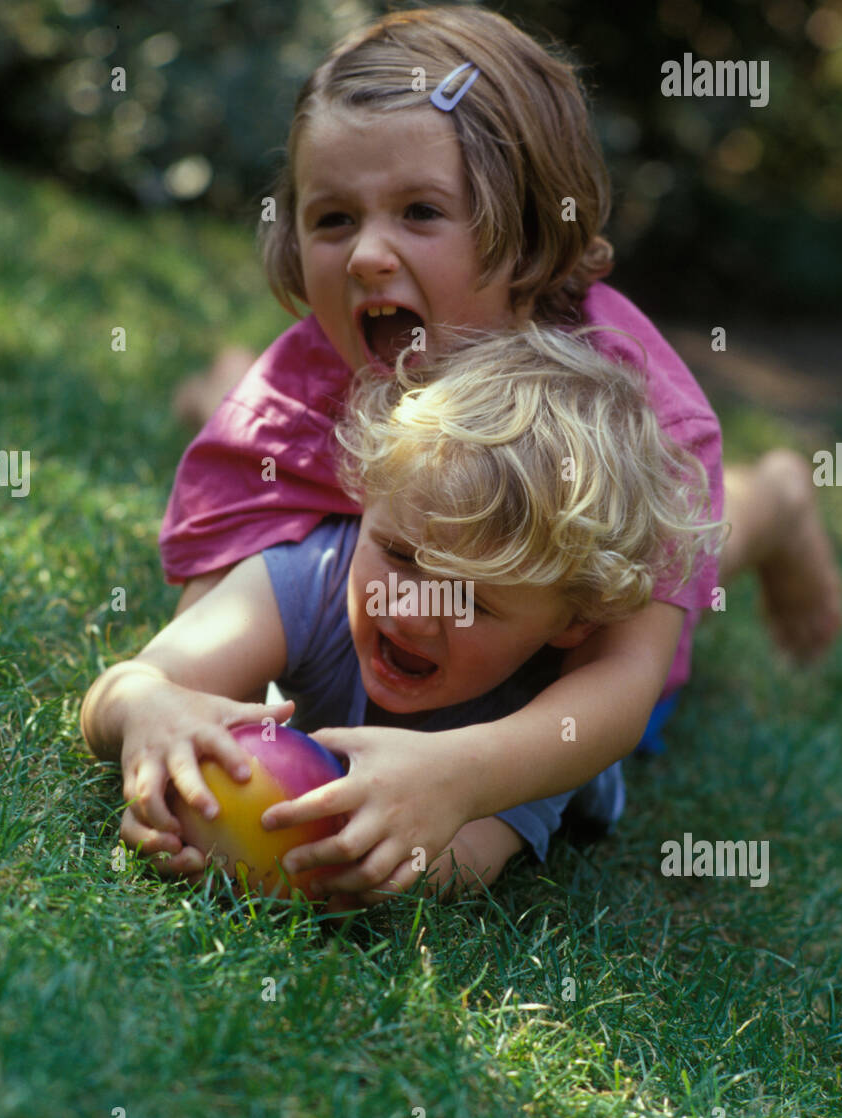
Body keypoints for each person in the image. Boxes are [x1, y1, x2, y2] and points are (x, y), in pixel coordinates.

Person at [159, 4, 841, 895]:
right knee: (256, 434)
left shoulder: (643, 423)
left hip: (566, 609)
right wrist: (177, 716)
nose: (367, 253)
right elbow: (208, 627)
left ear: (524, 228)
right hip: (347, 496)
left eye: (420, 210)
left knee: (695, 543)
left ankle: (777, 496)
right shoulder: (309, 389)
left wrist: (462, 777)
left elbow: (619, 685)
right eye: (331, 220)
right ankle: (225, 384)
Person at [81, 323, 724, 913]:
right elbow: (128, 686)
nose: (410, 611)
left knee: (690, 567)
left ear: (570, 624)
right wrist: (152, 717)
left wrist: (284, 859)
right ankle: (227, 384)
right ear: (365, 501)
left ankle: (772, 500)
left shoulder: (547, 718)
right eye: (396, 553)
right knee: (242, 420)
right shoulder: (319, 573)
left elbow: (451, 861)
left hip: (637, 703)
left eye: (471, 599)